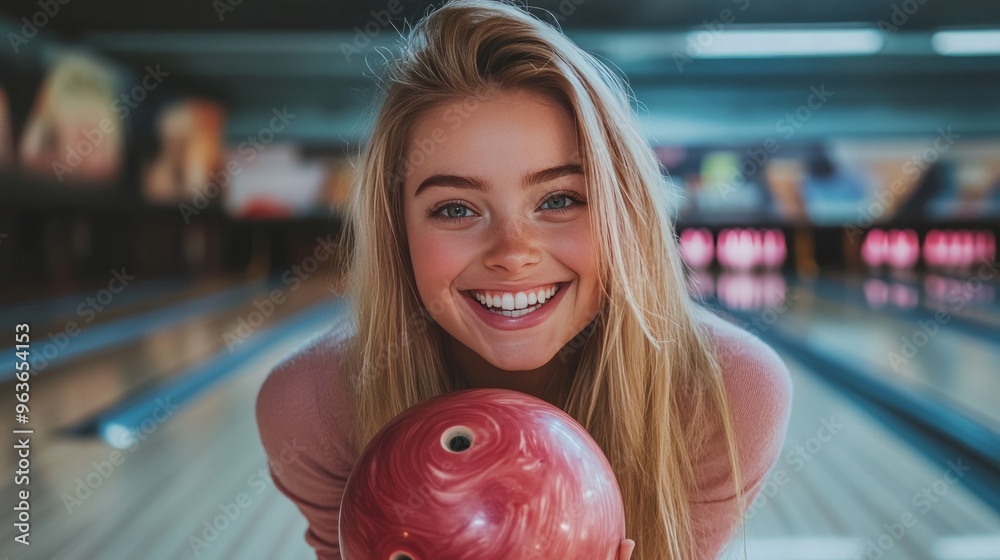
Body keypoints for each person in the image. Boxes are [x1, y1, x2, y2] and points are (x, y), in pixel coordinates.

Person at [255, 1, 792, 558]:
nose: (513, 253)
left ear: (623, 211)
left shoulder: (724, 395)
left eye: (558, 200)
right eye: (456, 209)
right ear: (397, 231)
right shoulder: (314, 406)